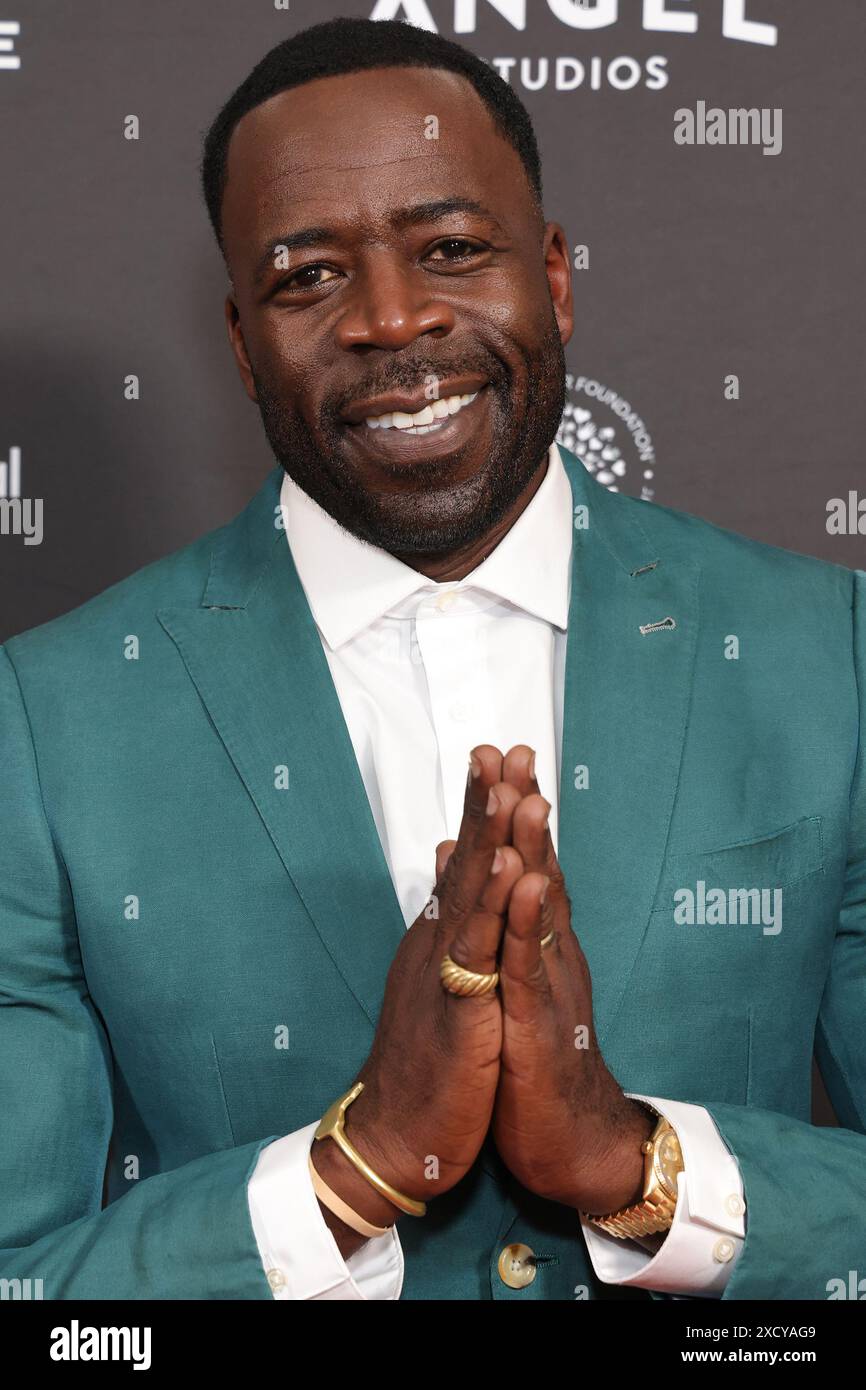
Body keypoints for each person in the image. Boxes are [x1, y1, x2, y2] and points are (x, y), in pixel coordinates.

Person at [1, 17, 863, 1302]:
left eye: (450, 250)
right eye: (308, 278)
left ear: (555, 279)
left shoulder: (825, 655)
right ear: (241, 341)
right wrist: (351, 1172)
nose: (392, 319)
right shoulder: (45, 724)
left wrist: (638, 1165)